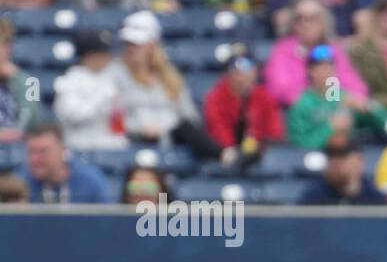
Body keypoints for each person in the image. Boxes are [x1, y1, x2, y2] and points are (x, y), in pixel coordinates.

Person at [106, 11, 220, 157]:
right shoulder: (114, 74)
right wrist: (140, 128)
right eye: (128, 43)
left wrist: (165, 129)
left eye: (137, 44)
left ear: (152, 44)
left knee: (187, 130)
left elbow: (191, 118)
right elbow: (110, 119)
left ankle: (225, 155)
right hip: (134, 142)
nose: (131, 49)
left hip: (171, 140)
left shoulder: (170, 77)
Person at [265, 0, 369, 109]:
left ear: (324, 23)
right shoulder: (283, 50)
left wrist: (338, 99)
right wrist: (316, 101)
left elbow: (356, 87)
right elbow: (279, 89)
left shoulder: (333, 50)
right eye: (299, 18)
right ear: (293, 24)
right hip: (299, 114)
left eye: (312, 18)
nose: (305, 23)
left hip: (334, 112)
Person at [287, 44, 387, 149]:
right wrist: (330, 127)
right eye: (321, 66)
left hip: (348, 154)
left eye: (330, 65)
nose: (327, 70)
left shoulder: (342, 97)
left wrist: (369, 107)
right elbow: (300, 145)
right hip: (319, 158)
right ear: (311, 71)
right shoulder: (303, 104)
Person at [202, 53, 285, 167]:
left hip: (261, 155)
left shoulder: (264, 97)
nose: (243, 79)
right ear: (229, 75)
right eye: (238, 74)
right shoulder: (216, 99)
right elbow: (219, 133)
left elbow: (275, 132)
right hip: (228, 157)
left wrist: (259, 145)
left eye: (249, 74)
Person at [52, 30, 126, 151]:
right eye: (103, 53)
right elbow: (73, 116)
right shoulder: (69, 80)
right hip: (78, 148)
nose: (108, 58)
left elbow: (117, 122)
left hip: (110, 150)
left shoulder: (110, 78)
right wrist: (101, 97)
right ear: (89, 56)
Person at [20, 123, 112, 203]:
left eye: (43, 151)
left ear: (62, 150)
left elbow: (108, 220)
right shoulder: (20, 183)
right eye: (31, 152)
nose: (35, 158)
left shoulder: (91, 183)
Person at [0, 16, 40, 144]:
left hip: (18, 148)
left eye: (10, 44)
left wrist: (18, 79)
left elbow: (36, 120)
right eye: (4, 44)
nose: (10, 49)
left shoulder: (30, 81)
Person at [298, 136, 387, 204]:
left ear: (359, 161)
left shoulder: (373, 200)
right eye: (331, 156)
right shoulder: (313, 198)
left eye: (342, 156)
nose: (335, 162)